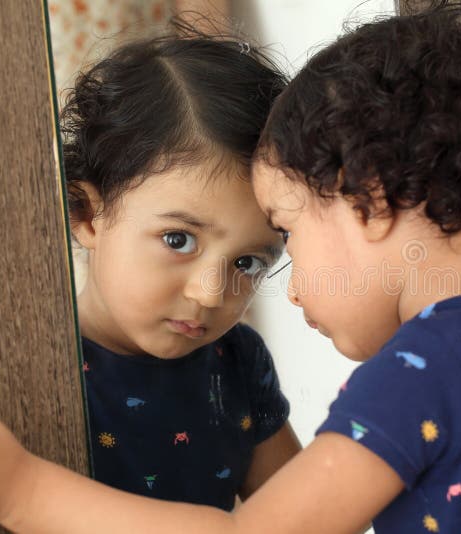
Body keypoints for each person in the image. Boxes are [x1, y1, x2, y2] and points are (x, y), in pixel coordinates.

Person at [0, 3, 461, 532]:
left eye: (278, 239)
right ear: (85, 213)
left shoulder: (426, 363)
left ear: (369, 198)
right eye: (178, 240)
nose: (282, 289)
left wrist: (24, 491)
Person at [60, 19, 299, 509]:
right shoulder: (35, 360)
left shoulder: (235, 363)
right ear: (87, 214)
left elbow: (309, 519)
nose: (211, 293)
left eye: (249, 262)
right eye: (178, 239)